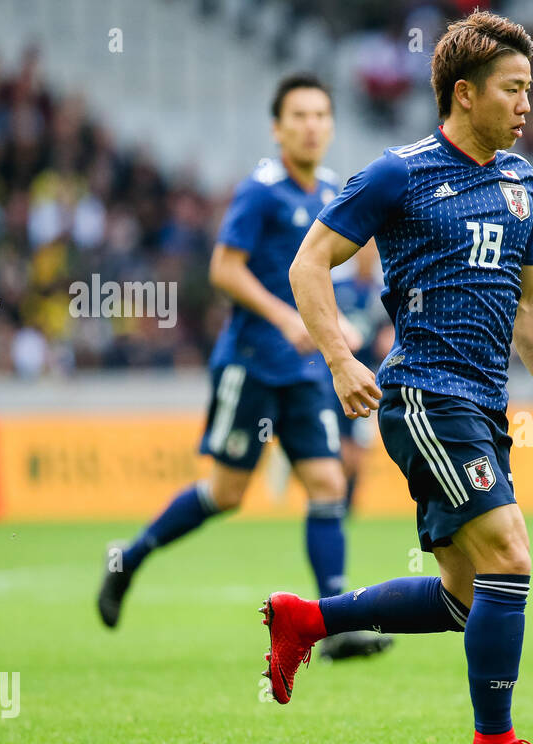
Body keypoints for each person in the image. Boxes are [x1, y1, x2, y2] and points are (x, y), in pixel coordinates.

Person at [258, 12, 533, 744]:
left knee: (465, 597)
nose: (527, 104)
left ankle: (307, 619)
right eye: (514, 89)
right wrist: (342, 361)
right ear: (464, 94)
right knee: (511, 555)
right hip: (425, 399)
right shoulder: (398, 173)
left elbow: (530, 304)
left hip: (483, 406)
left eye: (531, 89)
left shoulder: (523, 182)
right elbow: (309, 265)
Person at [98, 74, 389, 659]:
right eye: (299, 116)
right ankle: (130, 557)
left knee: (329, 483)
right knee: (228, 493)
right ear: (278, 128)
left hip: (307, 370)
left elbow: (363, 262)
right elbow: (225, 269)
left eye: (320, 115)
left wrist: (357, 311)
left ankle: (330, 626)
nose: (311, 126)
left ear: (331, 126)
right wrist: (287, 318)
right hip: (253, 364)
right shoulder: (260, 192)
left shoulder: (336, 191)